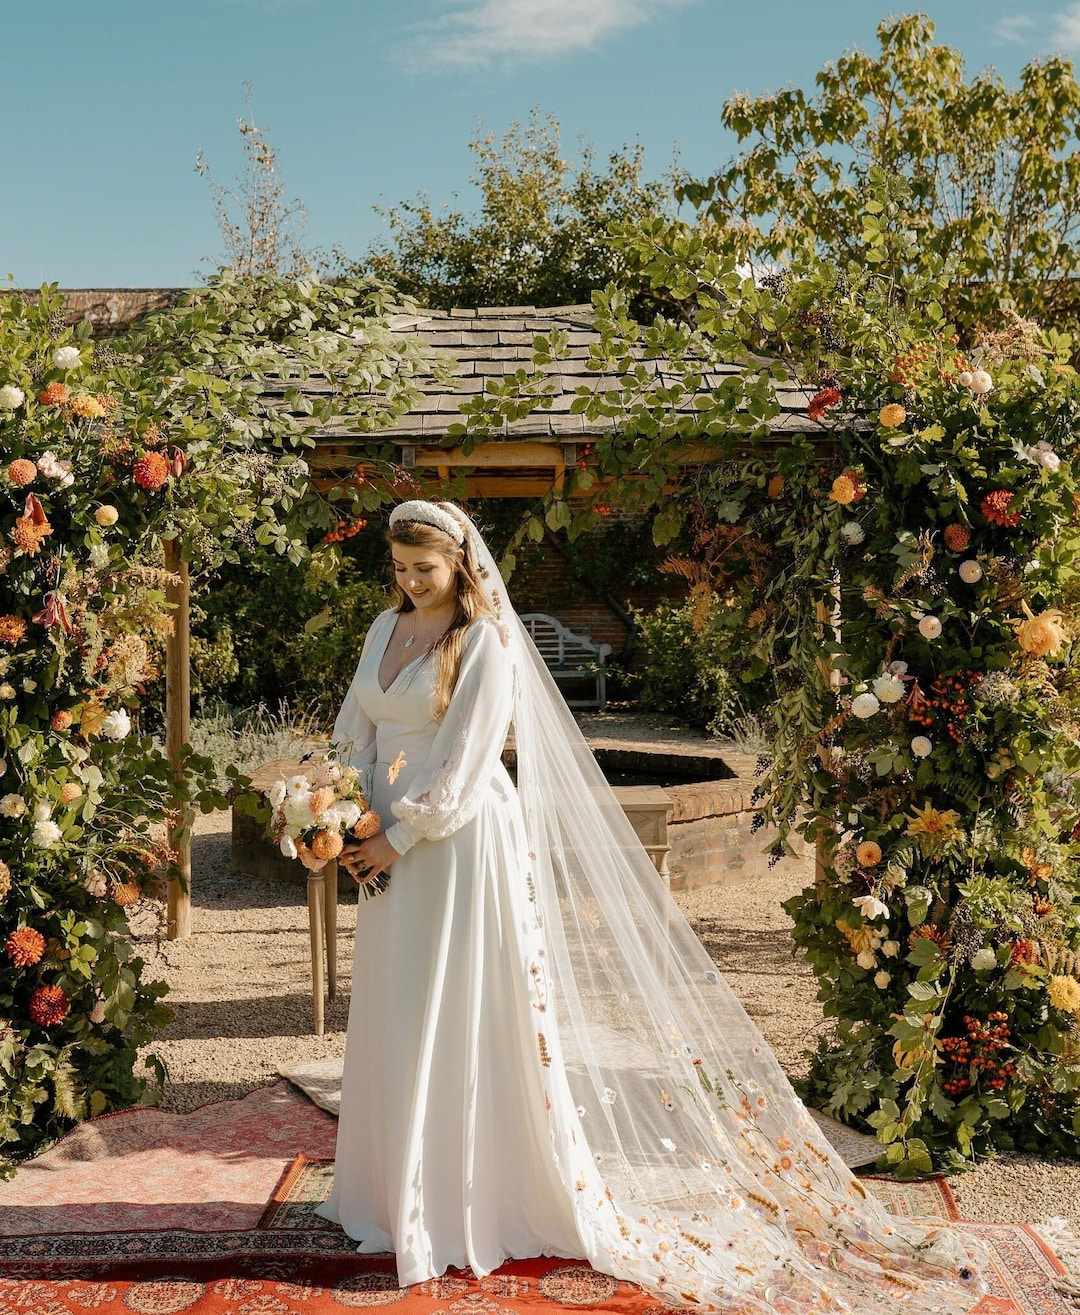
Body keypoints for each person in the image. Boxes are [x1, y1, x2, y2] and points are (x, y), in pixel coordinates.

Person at [315, 500, 986, 1314]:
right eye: (400, 569)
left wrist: (398, 832)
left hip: (452, 841)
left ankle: (461, 1201)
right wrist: (334, 814)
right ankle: (388, 1193)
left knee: (452, 1005)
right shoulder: (382, 632)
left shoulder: (485, 642)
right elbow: (354, 729)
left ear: (460, 562)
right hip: (383, 835)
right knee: (398, 1001)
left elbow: (464, 761)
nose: (412, 582)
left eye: (425, 568)